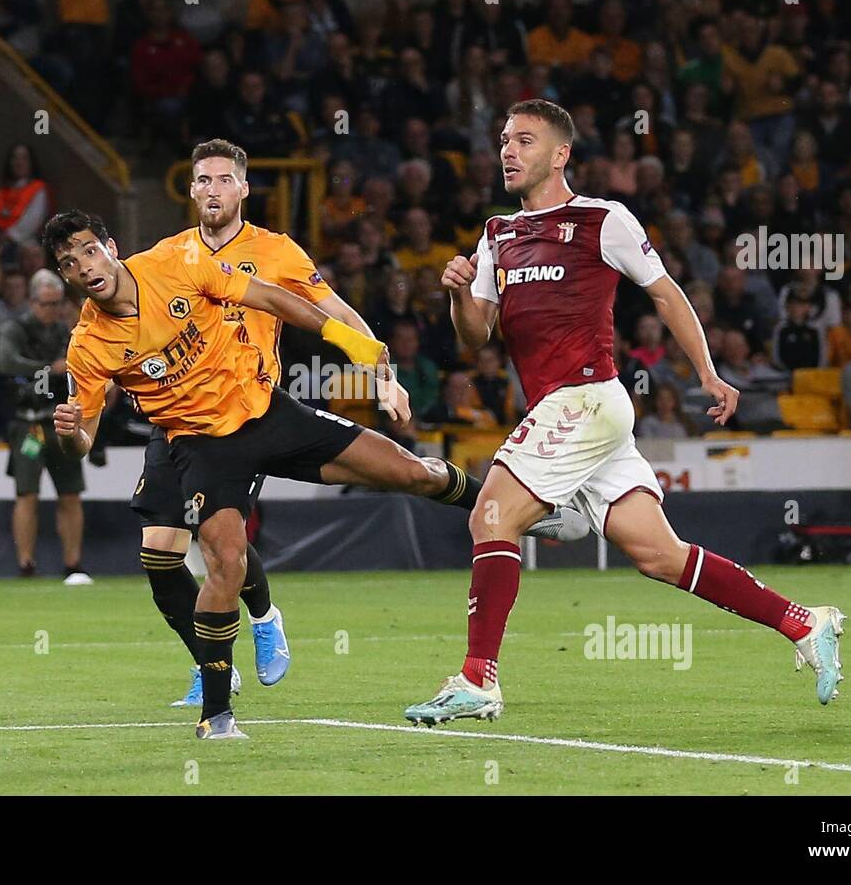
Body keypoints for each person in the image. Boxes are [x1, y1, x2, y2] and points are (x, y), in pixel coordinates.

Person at [47, 207, 577, 740]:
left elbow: (270, 297)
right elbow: (83, 439)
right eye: (70, 262)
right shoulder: (88, 345)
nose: (85, 265)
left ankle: (522, 514)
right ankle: (216, 715)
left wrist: (348, 340)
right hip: (204, 449)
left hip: (270, 414)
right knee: (224, 561)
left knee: (412, 472)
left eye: (90, 250)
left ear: (110, 247)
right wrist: (70, 430)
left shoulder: (176, 262)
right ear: (66, 276)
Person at [405, 100, 847, 728]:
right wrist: (457, 294)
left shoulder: (602, 220)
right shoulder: (496, 234)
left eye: (524, 141)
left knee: (491, 514)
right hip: (572, 414)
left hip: (586, 397)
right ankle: (804, 621)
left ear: (560, 154)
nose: (507, 150)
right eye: (504, 140)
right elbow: (475, 337)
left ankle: (479, 680)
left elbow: (665, 292)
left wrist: (707, 372)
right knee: (660, 556)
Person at [119, 139, 411, 708]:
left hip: (245, 415)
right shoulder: (167, 255)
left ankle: (262, 618)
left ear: (244, 189)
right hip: (177, 415)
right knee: (158, 554)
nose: (212, 189)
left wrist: (381, 368)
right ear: (192, 189)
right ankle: (211, 665)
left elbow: (336, 312)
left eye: (224, 179)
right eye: (202, 179)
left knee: (216, 541)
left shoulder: (276, 252)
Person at [0, 270, 87, 585]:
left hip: (61, 420)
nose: (53, 310)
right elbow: (6, 364)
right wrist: (50, 369)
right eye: (47, 304)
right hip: (29, 422)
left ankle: (73, 564)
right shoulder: (15, 329)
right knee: (27, 493)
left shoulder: (67, 332)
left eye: (57, 303)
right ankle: (25, 563)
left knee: (71, 493)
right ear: (33, 302)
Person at [0, 144, 51, 248]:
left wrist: (8, 236)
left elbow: (33, 220)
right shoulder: (2, 190)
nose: (19, 162)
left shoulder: (38, 189)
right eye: (15, 158)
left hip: (22, 244)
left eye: (24, 158)